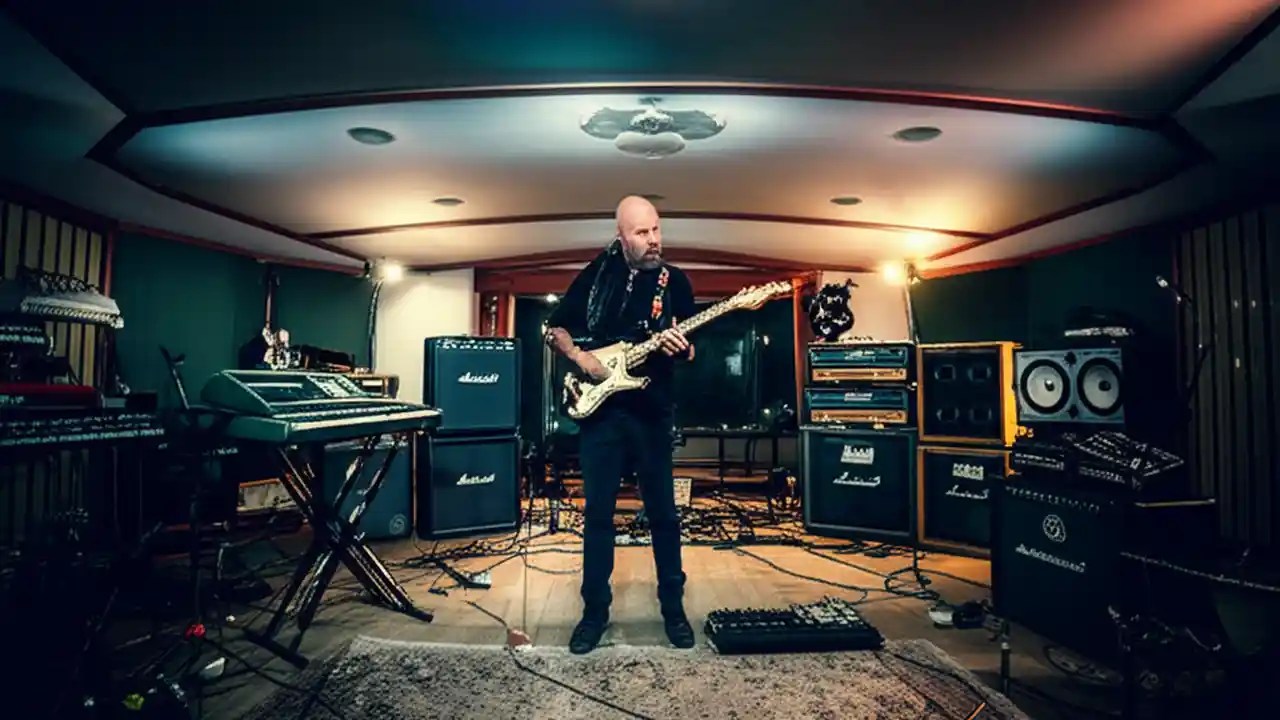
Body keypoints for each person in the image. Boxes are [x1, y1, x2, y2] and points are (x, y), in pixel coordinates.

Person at [544, 195, 697, 654]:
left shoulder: (677, 283)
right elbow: (555, 329)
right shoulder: (598, 275)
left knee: (665, 518)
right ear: (621, 237)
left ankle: (674, 609)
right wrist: (581, 358)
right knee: (598, 517)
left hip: (652, 414)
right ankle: (594, 614)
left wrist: (682, 347)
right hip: (603, 415)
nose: (653, 240)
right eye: (641, 233)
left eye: (656, 229)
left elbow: (692, 347)